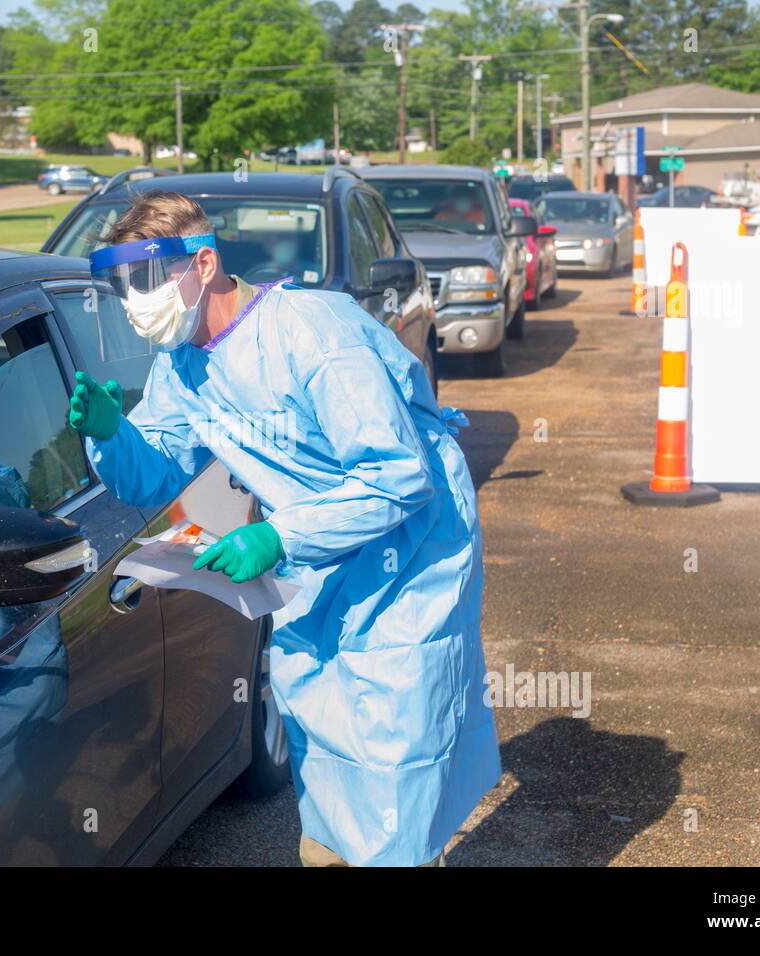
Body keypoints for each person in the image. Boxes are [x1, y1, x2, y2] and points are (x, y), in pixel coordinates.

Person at [67, 190, 501, 867]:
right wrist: (109, 433)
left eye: (146, 278)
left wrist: (278, 537)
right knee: (322, 732)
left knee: (396, 755)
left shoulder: (314, 331)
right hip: (317, 565)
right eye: (122, 284)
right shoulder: (180, 366)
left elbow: (398, 476)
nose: (133, 300)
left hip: (408, 559)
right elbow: (151, 475)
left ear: (203, 262)